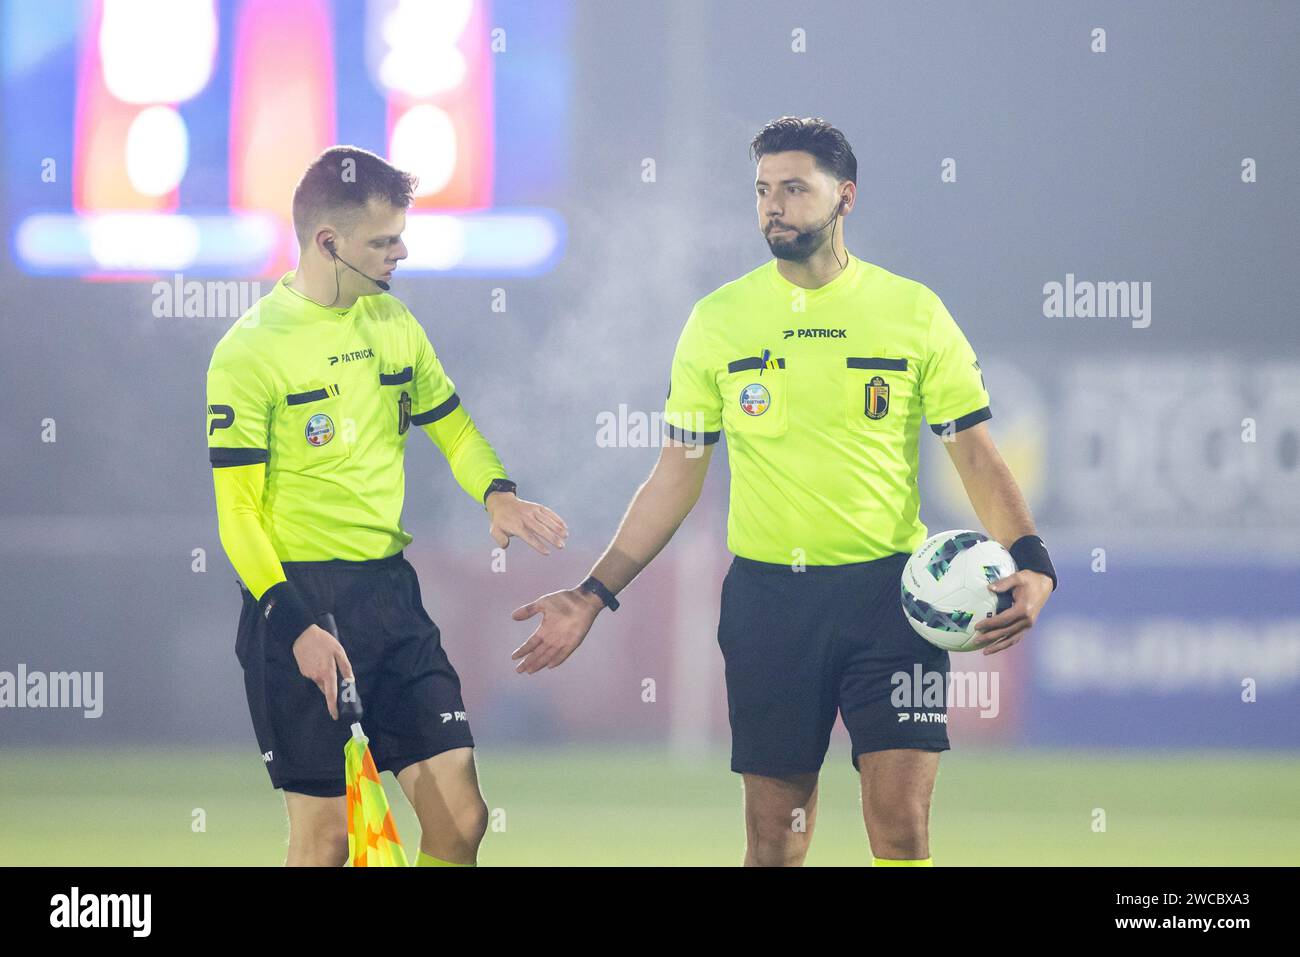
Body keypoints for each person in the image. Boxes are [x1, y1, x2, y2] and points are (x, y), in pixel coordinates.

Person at [510, 117, 1056, 867]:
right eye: (764, 190)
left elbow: (974, 452)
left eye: (795, 188)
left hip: (891, 602)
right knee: (775, 840)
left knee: (900, 827)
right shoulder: (719, 321)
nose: (775, 205)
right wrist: (593, 592)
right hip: (771, 603)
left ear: (846, 197)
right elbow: (676, 474)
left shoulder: (913, 312)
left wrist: (1033, 558)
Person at [206, 145, 567, 866]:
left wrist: (496, 491)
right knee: (327, 839)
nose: (403, 251)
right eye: (385, 240)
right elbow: (238, 514)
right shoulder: (249, 354)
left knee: (461, 818)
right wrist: (295, 623)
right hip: (297, 598)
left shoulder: (394, 325)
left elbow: (454, 428)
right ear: (327, 241)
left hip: (388, 597)